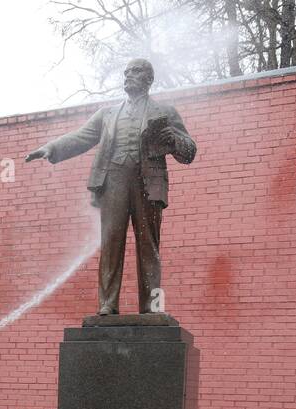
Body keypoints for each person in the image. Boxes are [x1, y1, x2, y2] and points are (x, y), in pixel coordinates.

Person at [26, 58, 196, 315]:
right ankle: (107, 304)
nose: (128, 75)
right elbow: (82, 137)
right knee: (111, 242)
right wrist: (51, 147)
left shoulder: (166, 112)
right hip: (113, 181)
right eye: (126, 72)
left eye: (135, 71)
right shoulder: (106, 114)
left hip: (148, 183)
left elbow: (189, 151)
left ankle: (151, 308)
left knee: (148, 244)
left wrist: (172, 140)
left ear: (149, 79)